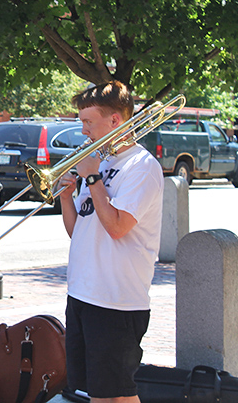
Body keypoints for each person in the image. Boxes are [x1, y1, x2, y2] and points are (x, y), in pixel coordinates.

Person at [57, 81, 164, 403]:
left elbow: (118, 227)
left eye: (89, 121)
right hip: (83, 291)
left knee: (111, 394)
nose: (83, 129)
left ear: (115, 120)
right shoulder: (101, 162)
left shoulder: (141, 167)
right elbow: (80, 232)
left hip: (116, 299)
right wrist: (65, 198)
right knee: (103, 393)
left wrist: (92, 179)